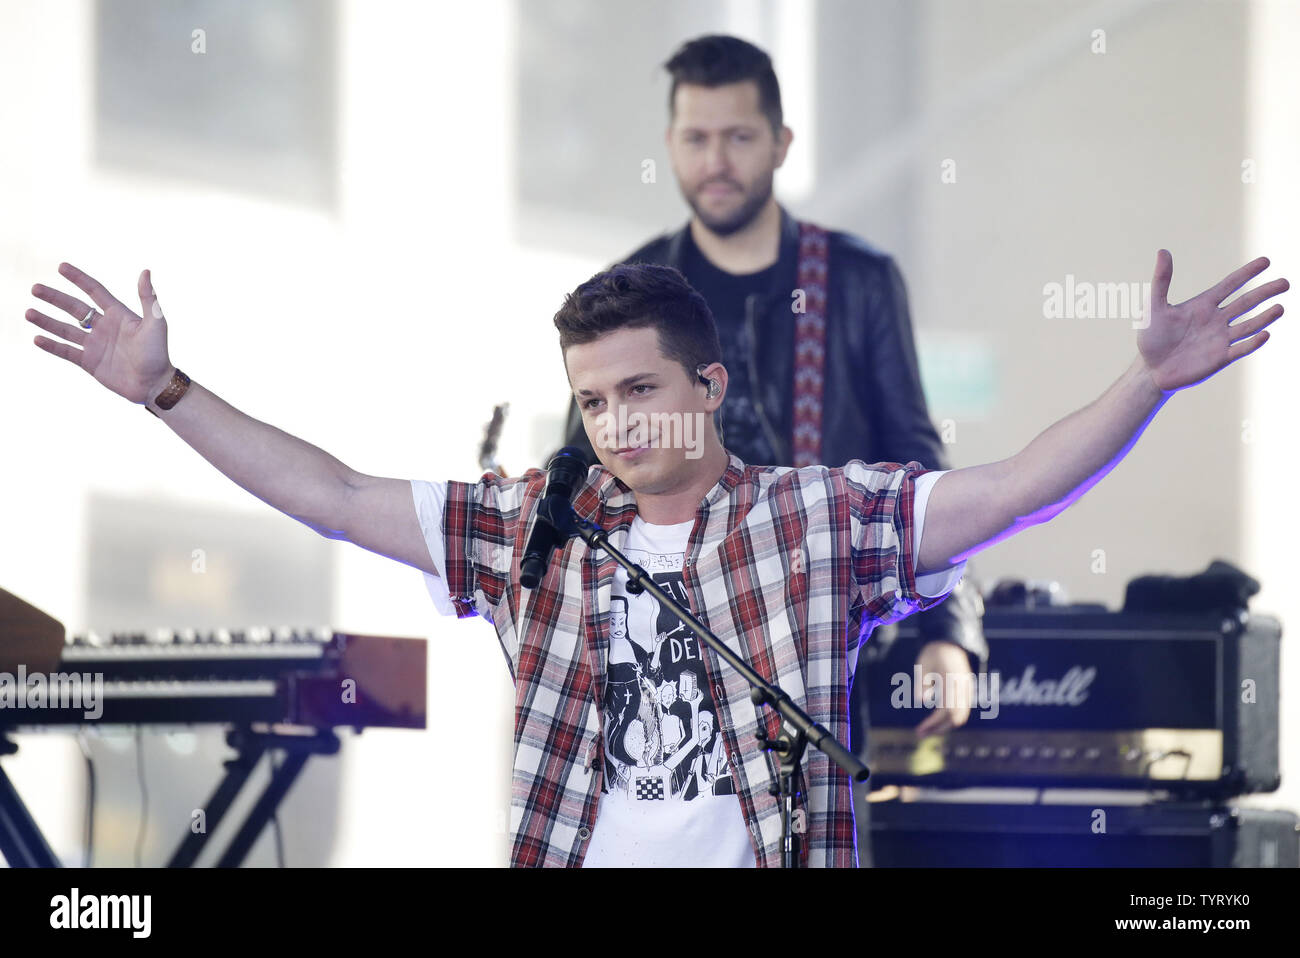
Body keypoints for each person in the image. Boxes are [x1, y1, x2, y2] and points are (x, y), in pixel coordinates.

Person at [24, 250, 1285, 866]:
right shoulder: (535, 526)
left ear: (710, 386)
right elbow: (338, 494)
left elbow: (1015, 491)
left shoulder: (813, 522)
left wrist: (1148, 381)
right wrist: (167, 394)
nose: (615, 422)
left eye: (640, 389)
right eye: (592, 399)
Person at [549, 34, 986, 856]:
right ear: (671, 146)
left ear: (782, 143)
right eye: (696, 138)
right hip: (669, 649)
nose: (717, 160)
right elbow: (585, 479)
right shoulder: (631, 288)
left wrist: (950, 631)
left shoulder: (854, 279)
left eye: (739, 137)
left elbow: (921, 458)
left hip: (826, 645)